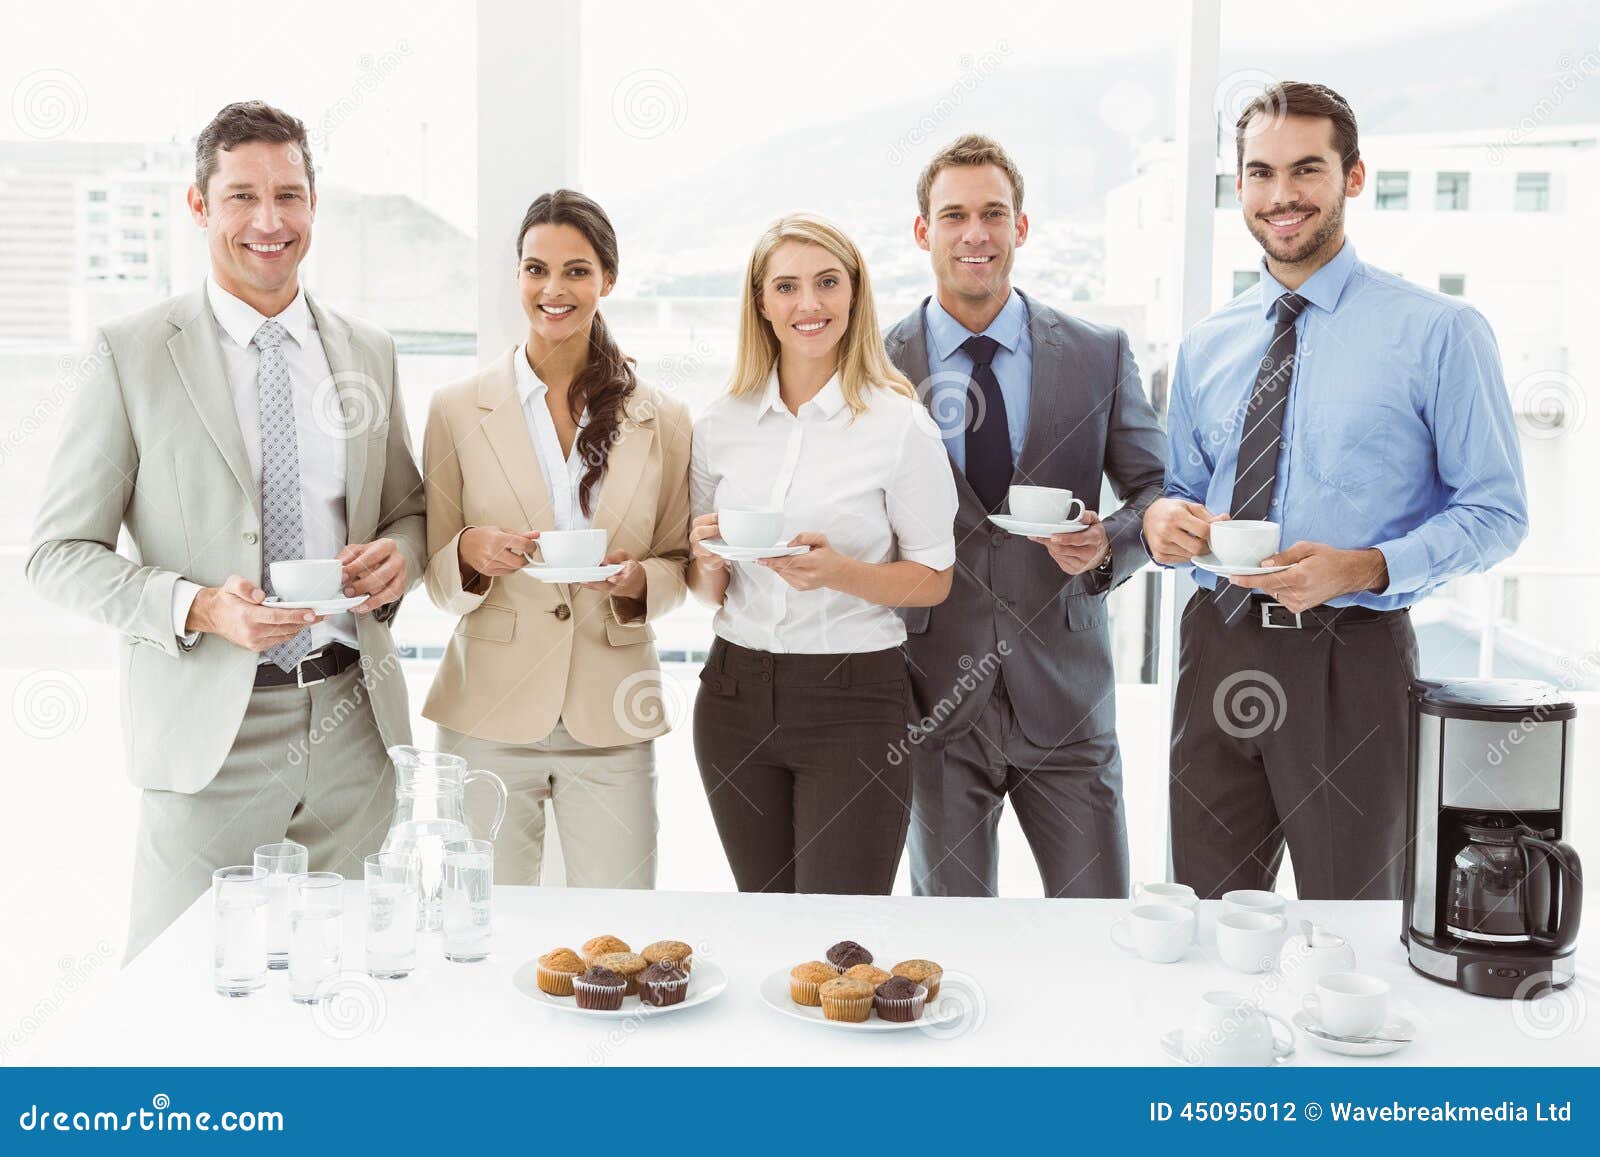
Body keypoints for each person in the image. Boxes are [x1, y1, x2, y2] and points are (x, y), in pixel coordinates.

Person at [27, 101, 427, 960]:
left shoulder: (368, 351)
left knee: (349, 988)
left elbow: (409, 509)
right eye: (242, 196)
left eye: (290, 194)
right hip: (211, 738)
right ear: (199, 206)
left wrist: (402, 556)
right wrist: (200, 606)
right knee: (174, 1009)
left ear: (316, 204)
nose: (270, 221)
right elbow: (57, 555)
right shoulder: (131, 353)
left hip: (356, 728)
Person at [1142, 81, 1529, 900]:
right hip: (1216, 644)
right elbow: (1179, 487)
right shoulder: (1207, 344)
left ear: (1353, 176)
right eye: (1259, 172)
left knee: (1353, 925)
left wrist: (1362, 566)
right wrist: (1165, 520)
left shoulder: (1437, 331)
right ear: (1238, 184)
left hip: (1352, 660)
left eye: (1306, 170)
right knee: (1207, 921)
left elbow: (1496, 511)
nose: (1281, 196)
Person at [883, 134, 1166, 899]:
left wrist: (1107, 542)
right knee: (951, 953)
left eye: (993, 214)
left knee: (1100, 934)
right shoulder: (875, 366)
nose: (975, 233)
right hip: (933, 705)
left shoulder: (1097, 353)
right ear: (923, 232)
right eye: (954, 216)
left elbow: (1157, 490)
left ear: (1021, 228)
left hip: (1069, 703)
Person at [421, 190, 692, 889]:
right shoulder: (456, 408)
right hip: (487, 710)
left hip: (613, 715)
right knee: (478, 924)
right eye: (535, 268)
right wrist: (471, 554)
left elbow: (676, 561)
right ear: (516, 277)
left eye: (576, 270)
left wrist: (638, 581)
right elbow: (435, 570)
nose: (554, 289)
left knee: (618, 935)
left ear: (608, 279)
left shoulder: (662, 417)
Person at [688, 213, 957, 894]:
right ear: (761, 303)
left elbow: (934, 579)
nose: (808, 304)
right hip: (733, 695)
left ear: (854, 294)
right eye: (787, 287)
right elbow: (706, 591)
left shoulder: (899, 425)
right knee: (765, 917)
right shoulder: (722, 423)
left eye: (827, 283)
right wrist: (709, 556)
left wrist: (843, 573)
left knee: (840, 933)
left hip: (856, 704)